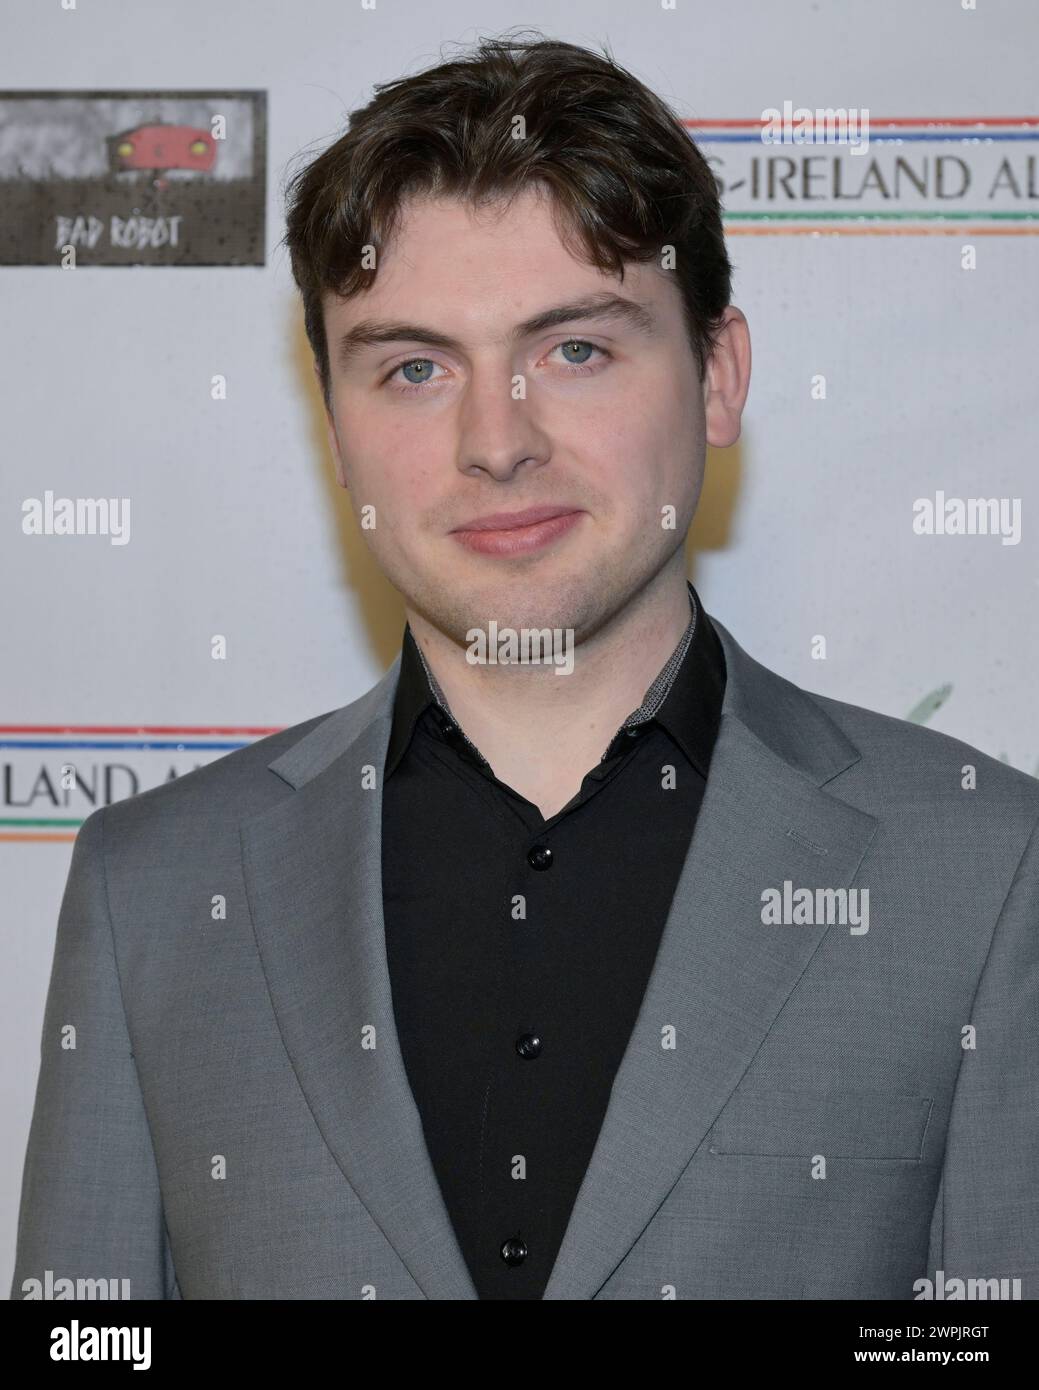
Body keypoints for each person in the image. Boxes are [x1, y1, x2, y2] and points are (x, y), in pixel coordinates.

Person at [11, 32, 1039, 1302]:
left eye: (574, 350)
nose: (494, 442)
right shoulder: (151, 890)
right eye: (415, 368)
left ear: (717, 376)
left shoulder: (981, 865)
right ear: (334, 427)